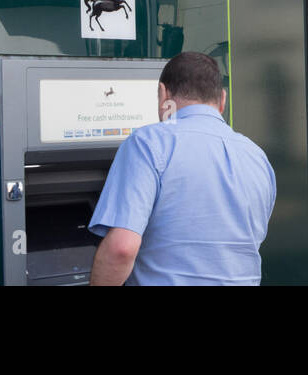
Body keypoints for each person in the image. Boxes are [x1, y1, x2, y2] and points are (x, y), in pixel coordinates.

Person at [88, 52, 276, 285]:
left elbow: (121, 249)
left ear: (162, 94)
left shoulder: (148, 143)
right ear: (222, 100)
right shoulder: (256, 156)